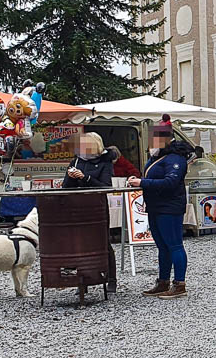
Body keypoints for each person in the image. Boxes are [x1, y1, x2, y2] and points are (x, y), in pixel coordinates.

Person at [128, 123, 193, 299]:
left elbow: (170, 182)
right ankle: (162, 281)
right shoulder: (159, 156)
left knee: (174, 245)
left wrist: (142, 183)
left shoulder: (175, 158)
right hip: (156, 205)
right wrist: (141, 180)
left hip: (170, 206)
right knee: (162, 247)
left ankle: (179, 284)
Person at [61, 131, 118, 294]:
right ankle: (83, 280)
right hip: (78, 206)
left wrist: (85, 178)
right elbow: (66, 188)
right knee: (80, 244)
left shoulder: (105, 162)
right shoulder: (77, 160)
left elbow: (105, 186)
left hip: (97, 205)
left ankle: (111, 279)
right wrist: (71, 176)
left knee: (103, 242)